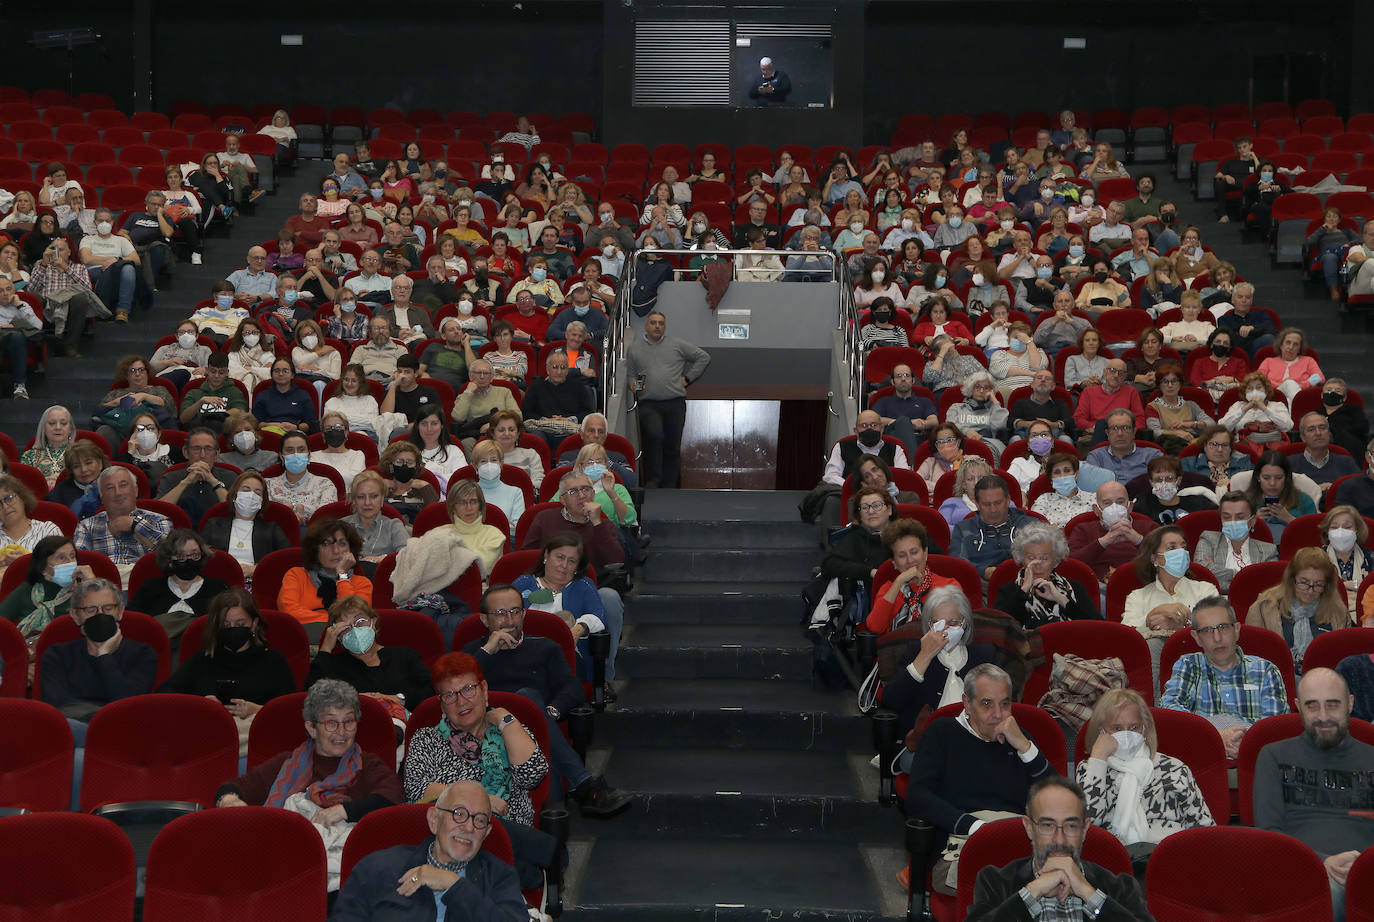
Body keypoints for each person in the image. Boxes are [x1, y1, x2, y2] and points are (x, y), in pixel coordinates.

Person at [463, 584, 632, 816]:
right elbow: (458, 692)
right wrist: (487, 651)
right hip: (487, 733)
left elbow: (573, 687)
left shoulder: (544, 647)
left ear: (524, 614)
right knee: (528, 698)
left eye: (515, 611)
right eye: (500, 613)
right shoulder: (473, 654)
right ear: (484, 619)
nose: (509, 620)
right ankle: (582, 784)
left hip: (537, 730)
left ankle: (554, 812)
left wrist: (549, 712)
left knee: (529, 701)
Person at [401, 653, 554, 890]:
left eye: (468, 689)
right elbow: (417, 789)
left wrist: (505, 720)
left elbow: (532, 775)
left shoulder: (509, 730)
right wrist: (482, 803)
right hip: (452, 839)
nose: (461, 702)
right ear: (441, 703)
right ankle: (537, 855)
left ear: (484, 689)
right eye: (450, 695)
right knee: (470, 822)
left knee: (498, 841)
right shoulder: (426, 739)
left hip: (506, 838)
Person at [906, 663, 1056, 872]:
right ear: (967, 704)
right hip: (962, 844)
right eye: (987, 704)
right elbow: (917, 796)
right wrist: (975, 827)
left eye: (1005, 704)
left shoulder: (1020, 739)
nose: (998, 714)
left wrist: (1025, 747)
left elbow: (1060, 800)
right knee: (1001, 880)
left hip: (1018, 845)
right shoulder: (942, 733)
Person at [1253, 668, 1373, 922]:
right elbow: (1268, 833)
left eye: (1333, 705)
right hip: (1299, 872)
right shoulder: (1273, 756)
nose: (1323, 716)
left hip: (1366, 874)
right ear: (1298, 708)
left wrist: (1363, 865)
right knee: (1327, 892)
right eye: (1312, 706)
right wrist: (1322, 862)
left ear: (1350, 704)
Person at [329, 780, 530, 921]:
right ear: (434, 819)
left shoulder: (499, 877)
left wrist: (453, 885)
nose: (469, 828)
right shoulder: (378, 868)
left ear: (486, 833)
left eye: (479, 820)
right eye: (459, 814)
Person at [967, 776, 1155, 922]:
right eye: (1047, 825)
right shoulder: (996, 882)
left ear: (1084, 830)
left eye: (1071, 826)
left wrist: (1088, 893)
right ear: (1029, 828)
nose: (1059, 839)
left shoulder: (1121, 888)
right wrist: (1033, 891)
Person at [1076, 688, 1214, 861]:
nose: (1126, 735)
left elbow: (1204, 829)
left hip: (1168, 858)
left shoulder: (1173, 768)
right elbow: (1087, 827)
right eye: (1117, 728)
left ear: (1144, 728)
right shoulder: (1089, 769)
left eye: (1134, 727)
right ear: (1101, 731)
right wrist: (1098, 758)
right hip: (1116, 862)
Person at [158, 587, 296, 752]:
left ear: (254, 624)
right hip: (205, 745)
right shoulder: (202, 660)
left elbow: (290, 711)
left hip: (255, 745)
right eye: (226, 625)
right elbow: (164, 695)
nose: (233, 629)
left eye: (240, 624)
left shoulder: (273, 661)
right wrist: (201, 703)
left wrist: (258, 710)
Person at [1160, 596, 1288, 759]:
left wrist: (1242, 741)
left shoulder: (1265, 670)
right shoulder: (1189, 665)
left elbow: (1273, 728)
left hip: (1255, 760)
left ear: (1236, 630)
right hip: (1204, 760)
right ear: (1196, 637)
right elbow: (1170, 708)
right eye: (1207, 630)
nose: (1217, 638)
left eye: (1223, 627)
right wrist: (1217, 736)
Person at [513, 531, 624, 694]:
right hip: (525, 656)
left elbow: (599, 616)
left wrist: (579, 628)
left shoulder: (583, 585)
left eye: (571, 561)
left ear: (577, 566)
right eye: (560, 557)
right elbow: (503, 614)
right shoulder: (524, 583)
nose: (564, 565)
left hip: (568, 661)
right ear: (546, 555)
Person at [40, 577, 156, 721]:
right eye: (90, 610)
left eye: (108, 608)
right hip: (73, 727)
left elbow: (128, 704)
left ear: (120, 611)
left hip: (122, 728)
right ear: (75, 615)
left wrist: (104, 656)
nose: (100, 615)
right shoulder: (57, 655)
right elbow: (57, 707)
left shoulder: (143, 654)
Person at [307, 597, 433, 729]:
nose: (355, 630)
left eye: (360, 621)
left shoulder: (404, 655)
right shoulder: (333, 665)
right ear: (338, 636)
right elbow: (310, 699)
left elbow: (429, 692)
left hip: (408, 729)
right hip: (356, 732)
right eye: (345, 627)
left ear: (374, 622)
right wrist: (326, 648)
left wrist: (397, 699)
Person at [1246, 547, 1352, 672]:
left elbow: (1343, 662)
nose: (1310, 591)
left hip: (1324, 679)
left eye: (1318, 584)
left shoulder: (1339, 613)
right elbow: (1251, 660)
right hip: (1275, 678)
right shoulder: (1263, 608)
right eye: (1304, 582)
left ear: (1327, 585)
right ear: (1291, 579)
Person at [0, 537, 91, 679]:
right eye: (61, 557)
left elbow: (103, 626)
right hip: (27, 658)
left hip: (70, 662)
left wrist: (91, 582)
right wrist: (19, 666)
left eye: (72, 556)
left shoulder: (84, 593)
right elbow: (2, 624)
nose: (70, 562)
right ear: (43, 567)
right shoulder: (27, 590)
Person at [129, 529, 231, 645]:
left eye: (195, 555)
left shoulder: (217, 588)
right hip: (157, 650)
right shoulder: (152, 587)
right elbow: (132, 622)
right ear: (169, 559)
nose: (189, 560)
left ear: (203, 555)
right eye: (181, 556)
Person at [994, 521, 1101, 628]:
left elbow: (1099, 628)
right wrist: (1024, 590)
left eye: (1044, 558)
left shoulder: (1075, 587)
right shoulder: (1009, 591)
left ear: (1055, 560)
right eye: (1031, 558)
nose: (1037, 564)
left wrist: (1062, 599)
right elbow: (996, 628)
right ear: (1022, 559)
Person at [73, 466, 172, 574]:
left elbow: (171, 555)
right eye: (110, 488)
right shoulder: (87, 526)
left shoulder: (159, 520)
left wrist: (136, 524)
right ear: (102, 497)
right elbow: (78, 562)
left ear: (136, 491)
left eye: (123, 485)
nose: (118, 493)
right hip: (105, 580)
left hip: (144, 579)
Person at [277, 519, 373, 626]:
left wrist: (342, 575)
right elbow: (289, 613)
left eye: (342, 544)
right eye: (326, 544)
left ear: (351, 550)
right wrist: (337, 621)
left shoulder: (362, 584)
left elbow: (355, 619)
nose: (336, 551)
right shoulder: (296, 575)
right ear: (315, 550)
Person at [202, 470, 292, 579]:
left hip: (257, 581)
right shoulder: (213, 525)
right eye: (246, 490)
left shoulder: (272, 529)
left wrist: (256, 569)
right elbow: (200, 557)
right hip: (219, 580)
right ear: (234, 496)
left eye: (257, 493)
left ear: (261, 502)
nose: (251, 495)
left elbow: (287, 559)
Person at [949, 475, 1032, 584]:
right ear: (977, 504)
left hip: (1025, 583)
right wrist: (983, 571)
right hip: (980, 586)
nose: (993, 510)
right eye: (986, 504)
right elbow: (957, 564)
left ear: (1008, 500)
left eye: (998, 503)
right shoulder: (963, 529)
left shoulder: (1029, 525)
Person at [1192, 491, 1278, 593]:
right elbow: (1202, 575)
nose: (1232, 521)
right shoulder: (1208, 539)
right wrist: (1242, 575)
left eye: (1240, 517)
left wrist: (1218, 572)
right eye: (1227, 517)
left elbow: (1268, 586)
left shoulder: (1268, 550)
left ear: (1252, 520)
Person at [156, 427, 236, 527]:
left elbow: (236, 511)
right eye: (196, 449)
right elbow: (158, 512)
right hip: (179, 533)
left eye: (208, 449)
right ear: (186, 452)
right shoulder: (170, 477)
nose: (202, 455)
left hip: (219, 532)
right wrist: (186, 482)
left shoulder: (230, 476)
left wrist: (213, 481)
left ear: (216, 454)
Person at [1246, 449, 1318, 546]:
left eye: (1278, 478)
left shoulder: (1304, 500)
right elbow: (1233, 539)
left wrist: (1289, 519)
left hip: (1296, 552)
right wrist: (1254, 522)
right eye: (1266, 478)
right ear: (1258, 477)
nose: (1272, 483)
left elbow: (1314, 537)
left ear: (1286, 478)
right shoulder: (1245, 502)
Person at [821, 409, 910, 487]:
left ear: (882, 428)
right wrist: (854, 487)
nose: (869, 428)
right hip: (850, 495)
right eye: (864, 425)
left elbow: (904, 476)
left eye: (874, 425)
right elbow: (830, 476)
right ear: (856, 431)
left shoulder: (895, 449)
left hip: (888, 495)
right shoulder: (841, 446)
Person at [437, 479, 506, 577]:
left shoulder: (494, 535)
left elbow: (479, 567)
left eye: (473, 501)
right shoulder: (439, 533)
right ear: (453, 507)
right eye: (462, 502)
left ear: (480, 505)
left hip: (480, 586)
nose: (469, 508)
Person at [1320, 505, 1374, 625]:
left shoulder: (1371, 558)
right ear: (1327, 532)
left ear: (1357, 530)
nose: (1340, 532)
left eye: (1347, 527)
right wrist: (1349, 586)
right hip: (1326, 620)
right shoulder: (1315, 559)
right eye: (1334, 527)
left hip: (1366, 620)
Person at [1145, 363, 1213, 454]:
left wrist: (1191, 424)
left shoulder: (1191, 405)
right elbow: (1155, 432)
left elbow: (1212, 424)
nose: (1170, 385)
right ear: (1159, 385)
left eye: (1174, 381)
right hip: (1170, 446)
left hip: (1193, 443)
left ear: (1180, 383)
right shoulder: (1153, 407)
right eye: (1165, 381)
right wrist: (1176, 433)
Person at [1075, 364, 1146, 445]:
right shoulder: (1089, 392)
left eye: (1121, 373)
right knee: (1102, 424)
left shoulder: (1131, 391)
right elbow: (1079, 419)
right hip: (1095, 433)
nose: (1116, 375)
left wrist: (1125, 428)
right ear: (1105, 372)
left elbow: (1140, 420)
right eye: (1112, 370)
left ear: (1125, 376)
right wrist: (1098, 427)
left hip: (1123, 434)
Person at [1134, 455, 1217, 526]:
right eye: (1158, 480)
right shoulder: (1141, 506)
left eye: (1169, 479)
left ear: (1178, 480)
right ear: (1151, 482)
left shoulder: (1199, 503)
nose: (1164, 484)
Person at [946, 372, 1009, 464]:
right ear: (971, 389)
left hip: (987, 445)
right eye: (977, 387)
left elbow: (999, 426)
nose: (982, 391)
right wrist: (966, 431)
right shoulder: (957, 407)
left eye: (986, 388)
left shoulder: (994, 409)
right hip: (961, 445)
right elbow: (949, 426)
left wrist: (994, 401)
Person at [1289, 412, 1360, 494]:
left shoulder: (1346, 462)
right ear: (1303, 437)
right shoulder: (1289, 464)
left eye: (1322, 428)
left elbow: (1361, 490)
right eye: (1311, 429)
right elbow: (1285, 495)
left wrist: (1335, 488)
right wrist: (1315, 490)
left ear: (1329, 433)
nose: (1318, 433)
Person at [469, 440, 525, 539]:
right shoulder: (467, 493)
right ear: (475, 466)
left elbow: (516, 529)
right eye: (483, 461)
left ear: (501, 464)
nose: (489, 465)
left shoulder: (515, 492)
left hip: (505, 542)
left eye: (494, 460)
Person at [1086, 410, 1160, 484]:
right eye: (1114, 428)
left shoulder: (1153, 456)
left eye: (1125, 428)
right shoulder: (1096, 457)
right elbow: (1091, 485)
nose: (1120, 433)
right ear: (1107, 433)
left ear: (1134, 432)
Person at [1221, 372, 1292, 446]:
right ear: (1245, 392)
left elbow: (1287, 426)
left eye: (1259, 387)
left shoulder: (1277, 406)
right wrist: (1245, 409)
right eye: (1250, 388)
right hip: (1244, 446)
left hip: (1272, 446)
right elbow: (1223, 427)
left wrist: (1264, 409)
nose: (1254, 392)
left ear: (1266, 390)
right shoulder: (1238, 406)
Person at [378, 441, 439, 525]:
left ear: (416, 466)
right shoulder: (381, 486)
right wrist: (378, 488)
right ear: (390, 465)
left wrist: (426, 488)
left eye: (410, 462)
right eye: (399, 461)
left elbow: (436, 517)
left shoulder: (424, 488)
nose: (404, 466)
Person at [1032, 453, 1098, 529]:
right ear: (1051, 480)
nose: (1062, 475)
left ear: (1076, 475)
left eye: (1067, 470)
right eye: (1057, 472)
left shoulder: (1093, 498)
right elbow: (1034, 526)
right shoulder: (1044, 499)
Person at [0, 277, 41, 398]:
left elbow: (38, 326)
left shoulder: (22, 306)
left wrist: (19, 306)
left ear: (14, 291)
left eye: (8, 289)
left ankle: (19, 386)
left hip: (14, 341)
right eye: (1, 290)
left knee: (17, 336)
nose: (5, 293)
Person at [44, 441, 106, 519]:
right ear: (71, 470)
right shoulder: (56, 496)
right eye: (76, 466)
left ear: (100, 463)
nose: (83, 470)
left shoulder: (116, 482)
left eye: (88, 463)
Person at [1181, 424, 1252, 493]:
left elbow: (1252, 492)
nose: (1220, 449)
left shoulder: (1244, 465)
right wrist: (1215, 486)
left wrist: (1233, 484)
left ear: (1230, 448)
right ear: (1205, 446)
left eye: (1225, 445)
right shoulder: (1188, 465)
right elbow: (1183, 492)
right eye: (1214, 444)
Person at [312, 412, 367, 488]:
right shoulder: (313, 456)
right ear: (323, 435)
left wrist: (326, 477)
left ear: (346, 432)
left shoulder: (357, 455)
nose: (333, 431)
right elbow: (314, 481)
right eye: (328, 428)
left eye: (338, 427)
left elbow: (356, 479)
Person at [939, 458, 996, 528]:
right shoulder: (951, 503)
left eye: (981, 478)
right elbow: (942, 528)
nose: (976, 482)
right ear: (964, 485)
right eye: (970, 479)